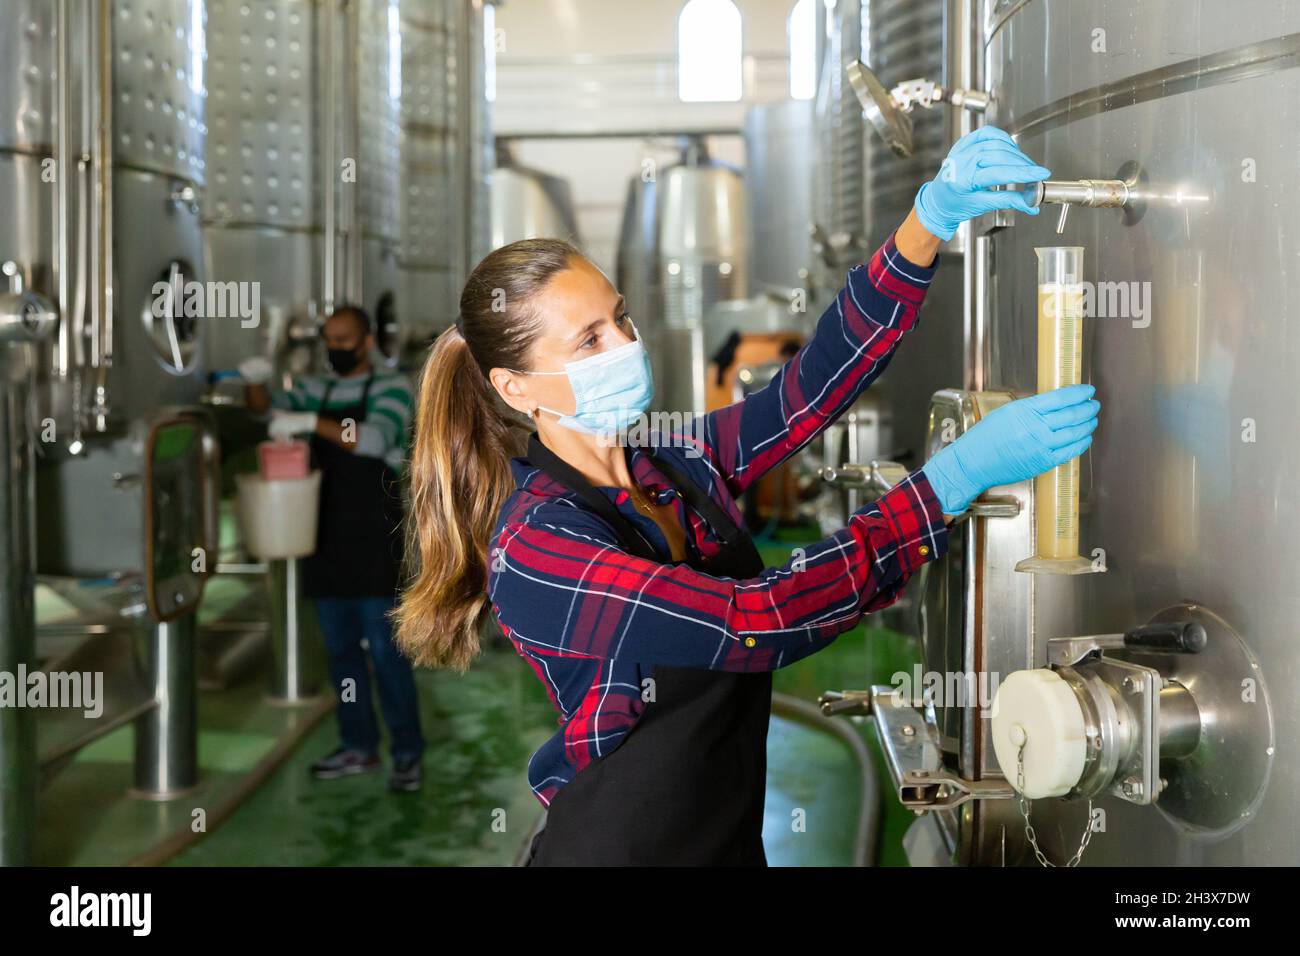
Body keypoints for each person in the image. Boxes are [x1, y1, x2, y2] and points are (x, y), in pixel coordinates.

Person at [395, 127, 1099, 862]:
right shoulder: (539, 548)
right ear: (515, 388)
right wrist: (945, 485)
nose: (627, 345)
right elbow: (752, 622)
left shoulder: (670, 465)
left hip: (725, 840)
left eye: (622, 316)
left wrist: (927, 223)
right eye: (589, 341)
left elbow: (807, 390)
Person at [241, 305, 426, 792]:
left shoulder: (391, 387)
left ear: (365, 342)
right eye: (329, 340)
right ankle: (357, 746)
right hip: (322, 539)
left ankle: (406, 752)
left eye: (344, 340)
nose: (336, 348)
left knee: (386, 654)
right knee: (341, 655)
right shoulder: (315, 388)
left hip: (374, 542)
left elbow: (370, 439)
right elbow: (265, 410)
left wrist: (306, 420)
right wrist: (257, 381)